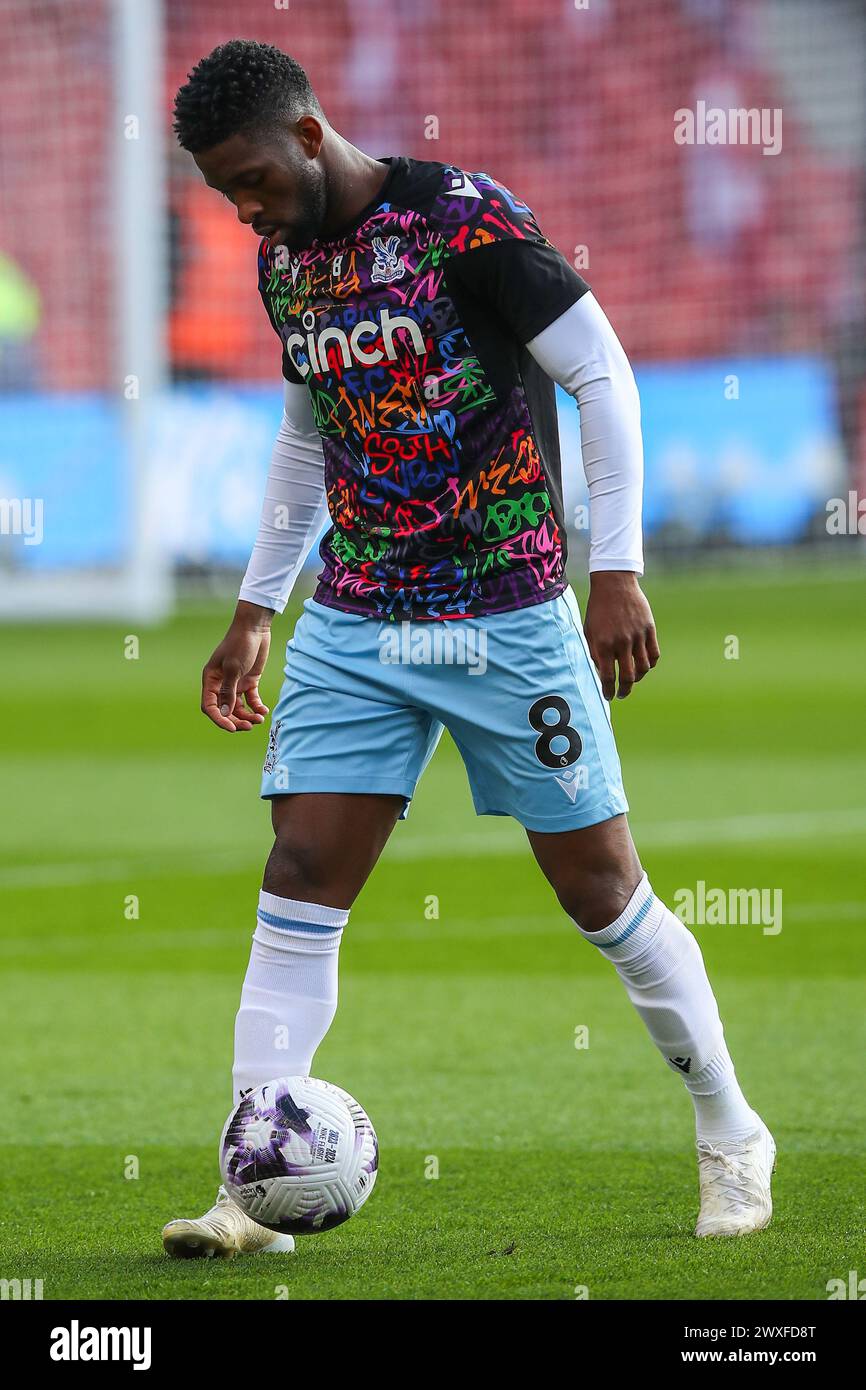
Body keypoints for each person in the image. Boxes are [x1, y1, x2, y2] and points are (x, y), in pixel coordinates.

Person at [162, 38, 774, 1260]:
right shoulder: (286, 260)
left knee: (598, 889)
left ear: (307, 130)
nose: (243, 206)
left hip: (503, 605)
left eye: (252, 178)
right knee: (298, 872)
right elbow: (304, 436)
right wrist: (255, 606)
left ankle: (729, 1129)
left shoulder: (462, 220)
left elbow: (600, 375)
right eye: (222, 190)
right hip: (356, 617)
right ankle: (252, 1177)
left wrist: (617, 568)